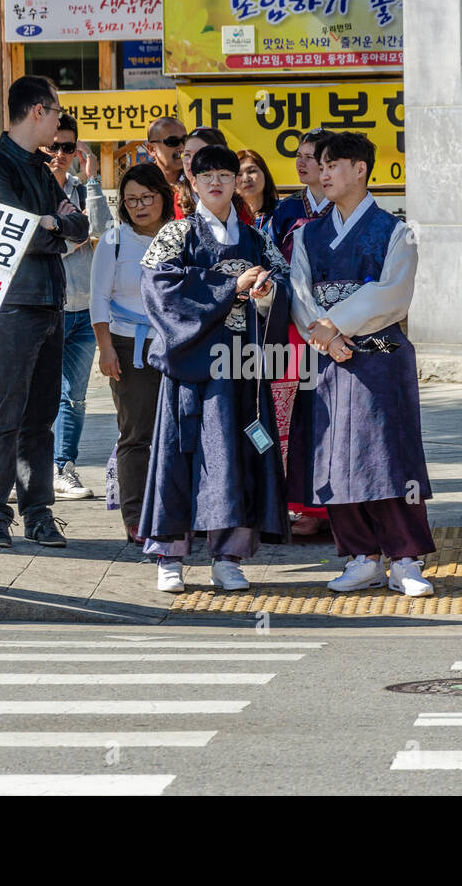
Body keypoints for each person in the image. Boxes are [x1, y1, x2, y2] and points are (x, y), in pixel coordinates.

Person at [138, 145, 292, 593]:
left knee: (238, 455)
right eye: (207, 176)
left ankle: (228, 556)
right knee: (179, 456)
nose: (218, 183)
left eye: (227, 174)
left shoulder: (257, 237)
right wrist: (230, 287)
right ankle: (169, 555)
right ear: (193, 182)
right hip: (193, 366)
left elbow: (284, 287)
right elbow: (160, 292)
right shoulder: (175, 234)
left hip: (241, 363)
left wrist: (263, 292)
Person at [289, 132, 436, 597]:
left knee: (388, 456)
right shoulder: (308, 234)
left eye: (334, 164)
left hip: (380, 357)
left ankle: (405, 559)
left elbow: (392, 294)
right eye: (321, 164)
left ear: (360, 170)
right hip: (329, 359)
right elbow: (299, 293)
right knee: (333, 459)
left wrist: (334, 328)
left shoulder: (396, 231)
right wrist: (324, 336)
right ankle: (361, 556)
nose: (324, 172)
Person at [0, 75, 91, 550]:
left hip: (51, 304)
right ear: (37, 110)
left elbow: (78, 223)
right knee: (7, 414)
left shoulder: (41, 171)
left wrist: (51, 223)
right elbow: (16, 236)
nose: (60, 122)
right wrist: (49, 228)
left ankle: (38, 512)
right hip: (13, 305)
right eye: (57, 111)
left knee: (41, 416)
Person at [91, 163, 175, 542]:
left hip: (176, 344)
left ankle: (176, 511)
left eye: (147, 197)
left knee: (177, 432)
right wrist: (106, 348)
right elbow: (98, 298)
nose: (140, 206)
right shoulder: (115, 240)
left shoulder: (180, 235)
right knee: (136, 433)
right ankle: (136, 515)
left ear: (163, 195)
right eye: (131, 200)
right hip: (129, 346)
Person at [267, 127, 335, 535]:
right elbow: (274, 261)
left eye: (313, 156)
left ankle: (332, 505)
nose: (303, 161)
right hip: (293, 324)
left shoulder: (348, 208)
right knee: (292, 414)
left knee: (331, 412)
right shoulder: (286, 211)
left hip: (342, 323)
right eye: (301, 154)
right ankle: (299, 505)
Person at [46, 112, 113, 501]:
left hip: (84, 308)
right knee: (38, 394)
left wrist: (93, 180)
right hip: (46, 306)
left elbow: (101, 230)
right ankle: (30, 471)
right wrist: (77, 233)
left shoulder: (80, 188)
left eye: (67, 147)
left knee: (74, 395)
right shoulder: (31, 187)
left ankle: (63, 467)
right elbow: (42, 242)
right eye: (53, 145)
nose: (59, 153)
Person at [269, 128, 333, 257]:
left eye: (309, 157)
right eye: (299, 156)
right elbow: (271, 255)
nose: (301, 163)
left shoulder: (346, 205)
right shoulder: (286, 206)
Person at [174, 127, 252, 225]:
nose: (190, 161)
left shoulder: (240, 204)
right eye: (187, 155)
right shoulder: (170, 201)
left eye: (200, 155)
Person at [236, 149, 278, 232]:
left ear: (265, 174)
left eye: (251, 171)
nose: (246, 179)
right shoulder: (227, 217)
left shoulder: (283, 212)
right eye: (239, 174)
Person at [145, 116, 186, 190]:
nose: (182, 148)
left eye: (185, 140)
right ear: (151, 149)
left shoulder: (199, 179)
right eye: (172, 141)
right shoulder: (141, 182)